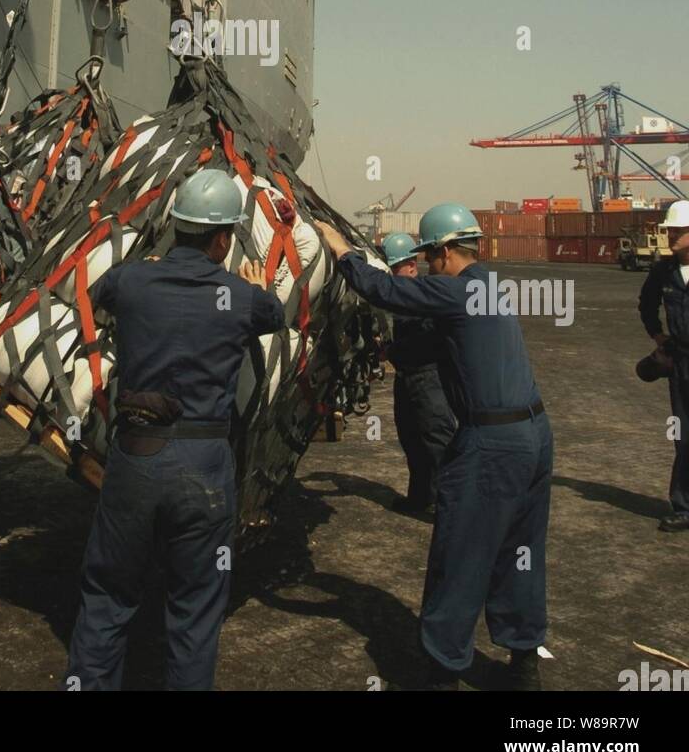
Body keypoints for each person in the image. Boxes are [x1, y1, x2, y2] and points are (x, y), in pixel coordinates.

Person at [316, 203, 552, 692]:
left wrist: (342, 252)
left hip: (491, 444)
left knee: (460, 554)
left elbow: (384, 290)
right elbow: (441, 344)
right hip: (534, 436)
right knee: (520, 550)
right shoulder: (491, 287)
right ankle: (523, 661)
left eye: (428, 257)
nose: (426, 264)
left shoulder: (454, 289)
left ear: (445, 251)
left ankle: (443, 670)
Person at [66, 168, 285, 691]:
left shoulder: (133, 279)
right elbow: (276, 314)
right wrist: (253, 285)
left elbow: (95, 294)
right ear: (223, 238)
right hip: (204, 470)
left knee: (108, 596)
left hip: (136, 457)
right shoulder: (238, 296)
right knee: (194, 610)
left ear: (175, 226)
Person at [379, 232, 456, 516]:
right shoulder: (403, 294)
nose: (390, 277)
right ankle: (420, 497)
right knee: (411, 440)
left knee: (437, 443)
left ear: (411, 265)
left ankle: (445, 506)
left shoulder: (425, 293)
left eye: (393, 269)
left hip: (430, 380)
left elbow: (411, 323)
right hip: (407, 379)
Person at [637, 199, 689, 532]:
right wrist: (658, 336)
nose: (669, 235)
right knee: (684, 436)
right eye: (669, 229)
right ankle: (683, 506)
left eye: (676, 230)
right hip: (681, 363)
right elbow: (646, 305)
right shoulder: (662, 271)